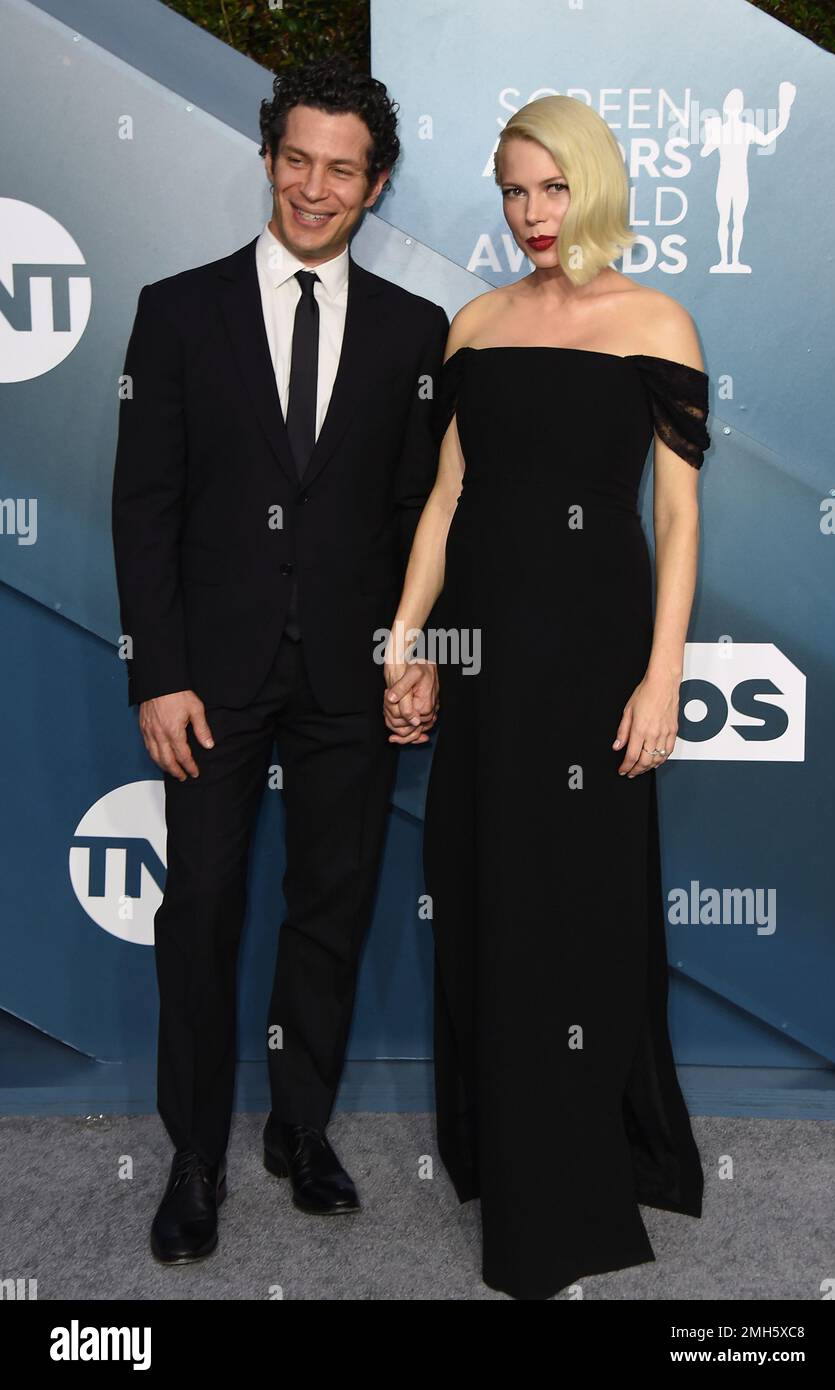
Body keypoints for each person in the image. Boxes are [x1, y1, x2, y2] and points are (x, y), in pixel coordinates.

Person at [112, 56, 446, 1265]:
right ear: (267, 157)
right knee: (198, 909)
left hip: (351, 678)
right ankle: (194, 1154)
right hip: (209, 676)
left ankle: (300, 1129)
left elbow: (424, 516)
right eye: (296, 158)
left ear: (377, 183)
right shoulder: (177, 311)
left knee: (331, 908)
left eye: (342, 169)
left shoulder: (419, 333)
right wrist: (157, 670)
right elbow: (142, 508)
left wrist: (424, 656)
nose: (315, 187)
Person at [383, 94, 710, 1300]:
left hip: (596, 656)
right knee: (485, 893)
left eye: (552, 187)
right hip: (485, 663)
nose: (531, 214)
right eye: (514, 190)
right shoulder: (475, 325)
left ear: (594, 184)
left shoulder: (658, 323)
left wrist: (663, 668)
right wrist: (404, 639)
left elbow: (676, 515)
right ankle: (505, 1146)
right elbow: (445, 502)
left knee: (575, 905)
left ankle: (572, 1189)